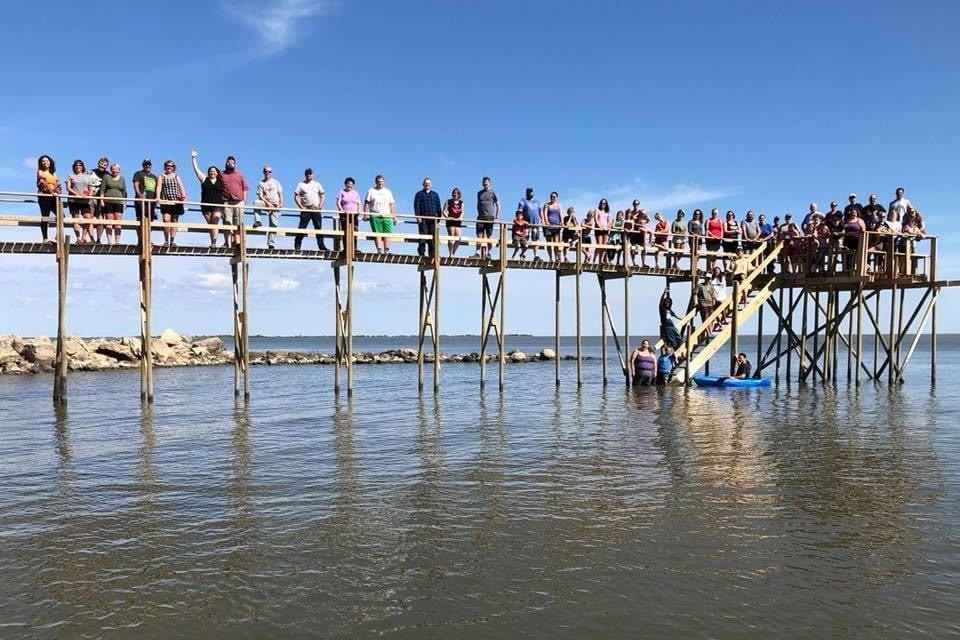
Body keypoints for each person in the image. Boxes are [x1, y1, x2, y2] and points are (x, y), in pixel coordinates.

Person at [191, 150, 225, 248]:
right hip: (206, 205)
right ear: (208, 173)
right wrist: (193, 158)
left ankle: (214, 242)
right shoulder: (204, 179)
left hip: (218, 205)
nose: (212, 172)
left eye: (214, 171)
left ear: (217, 173)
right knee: (210, 224)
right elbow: (196, 170)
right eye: (210, 171)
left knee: (215, 221)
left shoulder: (221, 181)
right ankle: (212, 242)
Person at [218, 155, 248, 248]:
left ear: (234, 164)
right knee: (227, 222)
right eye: (228, 162)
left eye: (232, 162)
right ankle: (227, 242)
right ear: (225, 163)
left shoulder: (239, 174)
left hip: (238, 202)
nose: (230, 163)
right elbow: (212, 180)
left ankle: (238, 242)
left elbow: (245, 188)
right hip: (226, 201)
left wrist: (244, 201)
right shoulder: (221, 174)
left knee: (238, 222)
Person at [155, 160, 187, 247]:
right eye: (167, 165)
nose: (169, 167)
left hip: (176, 201)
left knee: (174, 221)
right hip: (166, 201)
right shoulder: (161, 176)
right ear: (165, 167)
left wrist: (183, 197)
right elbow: (159, 187)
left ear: (174, 168)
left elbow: (181, 188)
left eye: (171, 166)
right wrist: (158, 197)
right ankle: (166, 240)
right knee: (166, 220)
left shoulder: (176, 177)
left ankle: (172, 240)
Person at [294, 168, 326, 251]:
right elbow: (296, 196)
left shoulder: (317, 184)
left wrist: (320, 206)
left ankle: (321, 246)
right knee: (302, 227)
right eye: (307, 174)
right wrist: (301, 207)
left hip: (315, 208)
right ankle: (297, 244)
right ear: (305, 175)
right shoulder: (301, 184)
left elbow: (322, 195)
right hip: (306, 209)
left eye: (310, 174)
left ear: (313, 174)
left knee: (318, 227)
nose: (308, 175)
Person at [364, 174, 396, 254]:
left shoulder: (388, 191)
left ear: (384, 182)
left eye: (381, 182)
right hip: (375, 215)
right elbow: (367, 203)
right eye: (378, 182)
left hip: (387, 215)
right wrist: (366, 214)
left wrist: (394, 216)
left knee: (388, 232)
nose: (380, 183)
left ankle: (387, 250)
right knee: (377, 233)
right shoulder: (371, 191)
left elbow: (391, 204)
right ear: (375, 182)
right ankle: (379, 250)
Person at [96, 162, 127, 245]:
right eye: (113, 169)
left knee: (118, 221)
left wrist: (125, 202)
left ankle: (117, 241)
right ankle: (109, 241)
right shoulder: (107, 177)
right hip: (108, 201)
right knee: (109, 221)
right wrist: (102, 200)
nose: (115, 171)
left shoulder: (122, 179)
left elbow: (124, 192)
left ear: (119, 170)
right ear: (110, 170)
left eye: (116, 169)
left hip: (119, 202)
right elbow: (102, 189)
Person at [65, 159, 94, 244]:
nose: (78, 166)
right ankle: (78, 238)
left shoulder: (87, 176)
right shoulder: (70, 175)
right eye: (76, 165)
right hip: (74, 200)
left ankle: (83, 237)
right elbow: (68, 188)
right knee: (76, 219)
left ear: (82, 166)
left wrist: (90, 194)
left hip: (85, 201)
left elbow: (91, 188)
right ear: (74, 167)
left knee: (88, 218)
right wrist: (77, 194)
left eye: (80, 165)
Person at [255, 165, 283, 249]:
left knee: (273, 224)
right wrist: (268, 203)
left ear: (271, 173)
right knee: (256, 203)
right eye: (266, 171)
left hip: (275, 205)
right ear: (263, 172)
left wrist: (281, 203)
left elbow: (280, 193)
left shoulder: (276, 182)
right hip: (266, 203)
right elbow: (260, 196)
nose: (268, 173)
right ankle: (258, 221)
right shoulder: (261, 183)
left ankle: (271, 243)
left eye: (269, 171)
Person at [413, 177, 442, 258]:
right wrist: (418, 217)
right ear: (423, 184)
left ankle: (433, 254)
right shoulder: (419, 194)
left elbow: (438, 206)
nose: (427, 185)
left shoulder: (435, 194)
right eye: (426, 183)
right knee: (423, 236)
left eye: (428, 183)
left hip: (433, 219)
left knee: (433, 238)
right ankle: (421, 253)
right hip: (423, 219)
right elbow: (416, 206)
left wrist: (439, 217)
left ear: (431, 185)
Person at [35, 155, 61, 243]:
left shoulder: (53, 173)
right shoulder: (40, 171)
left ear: (50, 162)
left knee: (61, 216)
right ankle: (45, 238)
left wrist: (57, 192)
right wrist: (52, 192)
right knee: (45, 217)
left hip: (54, 197)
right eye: (43, 161)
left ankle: (58, 235)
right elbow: (43, 184)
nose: (45, 162)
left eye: (47, 160)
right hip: (44, 197)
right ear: (40, 163)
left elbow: (58, 184)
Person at [132, 159, 158, 243]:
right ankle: (140, 239)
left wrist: (157, 198)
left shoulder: (154, 177)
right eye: (146, 164)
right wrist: (139, 195)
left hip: (151, 202)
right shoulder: (138, 174)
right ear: (143, 165)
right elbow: (136, 185)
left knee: (150, 221)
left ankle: (147, 239)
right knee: (140, 220)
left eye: (149, 164)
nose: (148, 166)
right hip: (141, 201)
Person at [475, 176, 500, 259]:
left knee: (489, 236)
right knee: (479, 235)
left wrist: (496, 217)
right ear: (482, 183)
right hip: (481, 216)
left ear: (489, 183)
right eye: (484, 182)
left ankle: (489, 253)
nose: (485, 183)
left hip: (489, 217)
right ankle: (477, 253)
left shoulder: (493, 192)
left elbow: (498, 205)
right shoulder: (479, 193)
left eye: (486, 182)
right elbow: (478, 204)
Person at [336, 177, 362, 253]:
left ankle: (354, 248)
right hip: (345, 215)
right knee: (345, 231)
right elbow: (338, 203)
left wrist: (359, 211)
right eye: (348, 184)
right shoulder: (341, 192)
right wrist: (342, 211)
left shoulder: (355, 193)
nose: (349, 185)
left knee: (355, 230)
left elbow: (359, 203)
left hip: (354, 215)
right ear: (345, 184)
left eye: (351, 184)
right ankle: (346, 248)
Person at [517, 187, 542, 261]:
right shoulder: (523, 201)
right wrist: (520, 221)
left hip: (535, 224)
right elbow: (519, 211)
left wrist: (543, 220)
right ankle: (523, 254)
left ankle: (536, 255)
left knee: (536, 239)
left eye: (531, 192)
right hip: (526, 224)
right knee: (524, 239)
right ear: (526, 193)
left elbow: (540, 212)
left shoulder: (537, 202)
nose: (530, 193)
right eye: (528, 192)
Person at [88, 157, 109, 244]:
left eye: (104, 165)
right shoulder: (90, 172)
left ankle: (99, 239)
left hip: (101, 199)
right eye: (101, 163)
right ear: (98, 163)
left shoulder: (108, 174)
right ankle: (91, 238)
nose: (102, 166)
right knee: (90, 219)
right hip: (91, 198)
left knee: (100, 219)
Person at [541, 191, 563, 262]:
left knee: (556, 243)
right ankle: (550, 258)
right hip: (549, 226)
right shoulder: (547, 205)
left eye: (554, 196)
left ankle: (556, 257)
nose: (552, 198)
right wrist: (546, 222)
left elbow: (561, 214)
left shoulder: (559, 205)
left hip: (556, 226)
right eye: (551, 196)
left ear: (556, 198)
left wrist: (561, 222)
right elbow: (544, 214)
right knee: (549, 242)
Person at [442, 187, 464, 256]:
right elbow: (444, 210)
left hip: (458, 221)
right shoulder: (448, 201)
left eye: (457, 193)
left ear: (459, 194)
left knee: (458, 239)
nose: (455, 194)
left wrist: (460, 218)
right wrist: (447, 217)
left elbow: (462, 212)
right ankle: (450, 253)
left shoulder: (461, 203)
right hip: (450, 221)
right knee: (451, 237)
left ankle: (453, 252)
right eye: (454, 193)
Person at [592, 199, 611, 264]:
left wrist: (608, 227)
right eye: (602, 203)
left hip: (605, 230)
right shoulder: (597, 210)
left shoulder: (607, 211)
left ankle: (602, 260)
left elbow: (609, 221)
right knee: (599, 245)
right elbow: (596, 219)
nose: (603, 204)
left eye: (604, 203)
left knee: (605, 246)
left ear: (606, 204)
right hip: (598, 229)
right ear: (600, 203)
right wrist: (600, 226)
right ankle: (594, 259)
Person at [704, 208, 723, 272]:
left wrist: (721, 236)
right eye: (713, 213)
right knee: (710, 253)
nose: (714, 214)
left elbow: (721, 230)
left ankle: (713, 267)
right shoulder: (708, 220)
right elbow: (707, 229)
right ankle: (710, 267)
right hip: (711, 239)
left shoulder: (720, 221)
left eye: (715, 213)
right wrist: (712, 236)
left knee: (715, 254)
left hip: (717, 239)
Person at [710, 266, 728, 332]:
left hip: (721, 296)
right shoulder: (712, 279)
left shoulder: (722, 278)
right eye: (715, 270)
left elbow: (724, 288)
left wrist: (721, 296)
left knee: (722, 309)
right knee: (714, 311)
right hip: (714, 297)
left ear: (720, 271)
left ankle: (724, 319)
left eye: (718, 270)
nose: (716, 271)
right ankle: (719, 323)